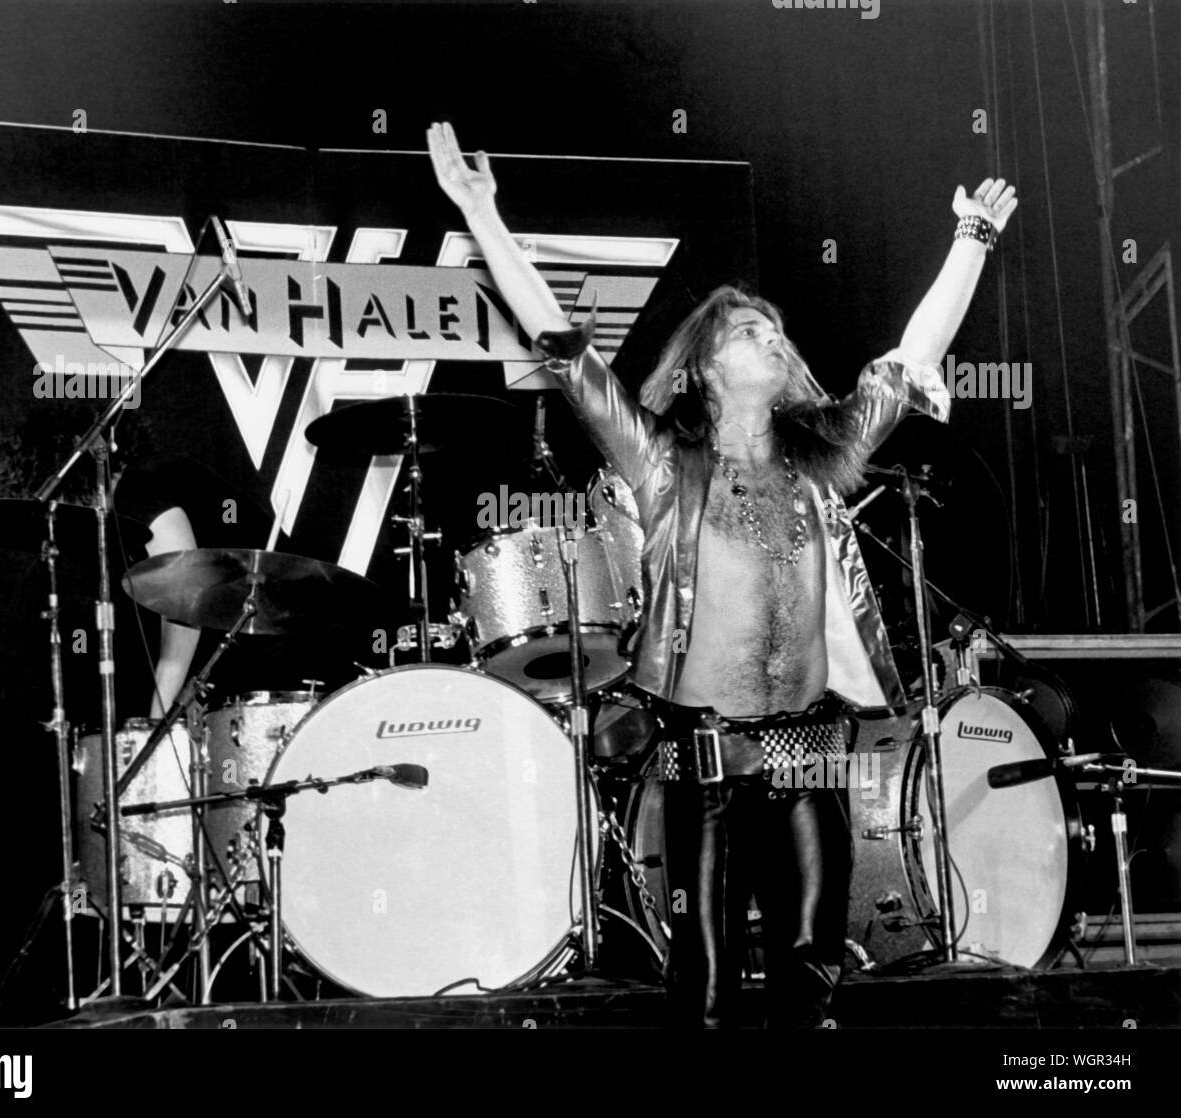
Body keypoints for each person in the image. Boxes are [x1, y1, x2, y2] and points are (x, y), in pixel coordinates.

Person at [426, 120, 1016, 1027]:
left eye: (777, 332)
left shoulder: (823, 457)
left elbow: (913, 358)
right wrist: (481, 215)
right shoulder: (666, 465)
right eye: (750, 331)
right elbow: (562, 347)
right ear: (705, 366)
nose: (772, 341)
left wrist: (970, 240)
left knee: (811, 980)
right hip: (699, 756)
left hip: (807, 749)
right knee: (699, 989)